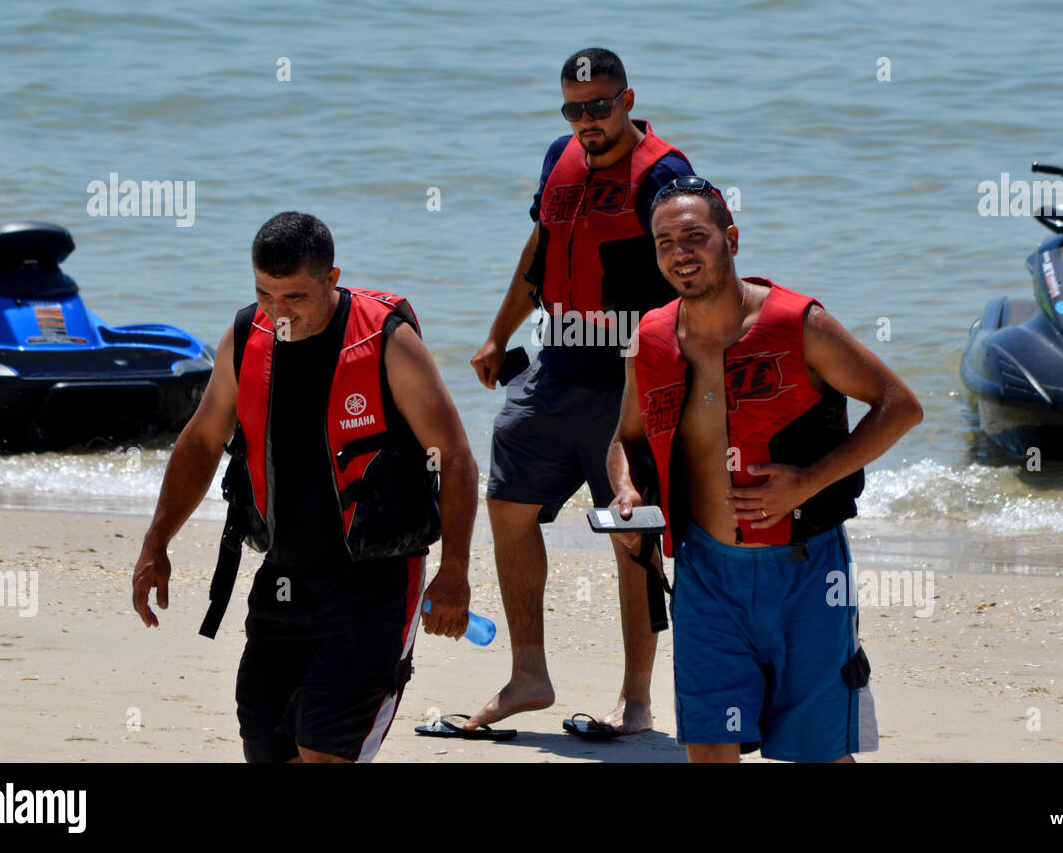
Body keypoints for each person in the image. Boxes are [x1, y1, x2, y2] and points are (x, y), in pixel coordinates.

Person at [132, 212, 478, 763]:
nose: (277, 312)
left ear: (331, 278)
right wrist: (156, 543)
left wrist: (454, 570)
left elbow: (455, 457)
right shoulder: (247, 336)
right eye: (264, 294)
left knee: (324, 753)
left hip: (376, 585)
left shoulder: (387, 340)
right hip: (284, 583)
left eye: (294, 296)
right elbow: (200, 443)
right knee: (267, 751)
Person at [606, 177, 923, 762]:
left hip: (806, 571)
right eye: (665, 241)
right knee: (710, 750)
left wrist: (810, 480)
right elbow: (625, 440)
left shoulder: (798, 323)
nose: (680, 253)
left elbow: (900, 407)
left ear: (731, 238)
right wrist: (626, 491)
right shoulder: (649, 338)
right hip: (705, 576)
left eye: (696, 237)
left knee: (818, 754)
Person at [458, 48, 695, 738]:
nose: (587, 120)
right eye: (574, 108)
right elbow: (539, 250)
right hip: (558, 363)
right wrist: (498, 334)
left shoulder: (664, 174)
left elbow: (691, 270)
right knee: (506, 501)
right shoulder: (559, 157)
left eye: (599, 105)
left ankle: (638, 700)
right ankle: (529, 673)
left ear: (627, 99)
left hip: (630, 375)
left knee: (631, 528)